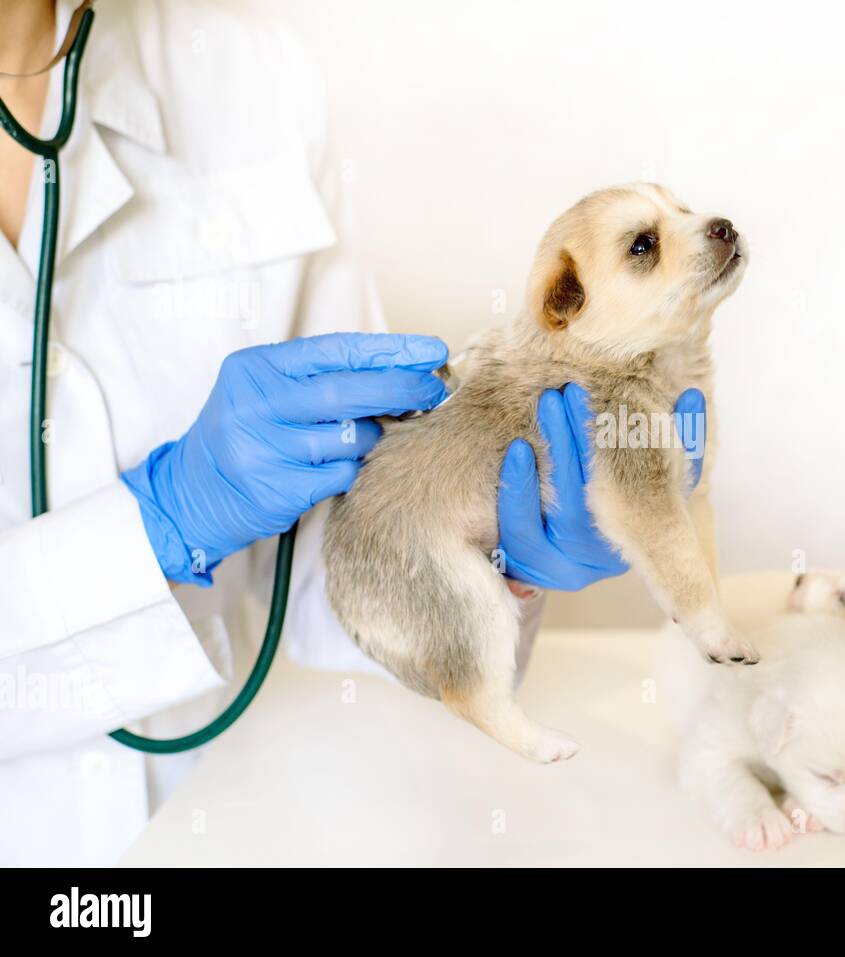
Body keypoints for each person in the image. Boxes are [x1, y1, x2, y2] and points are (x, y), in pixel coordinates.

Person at [0, 0, 705, 866]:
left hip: (226, 813)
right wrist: (160, 523)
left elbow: (334, 586)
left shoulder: (249, 76)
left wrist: (491, 554)